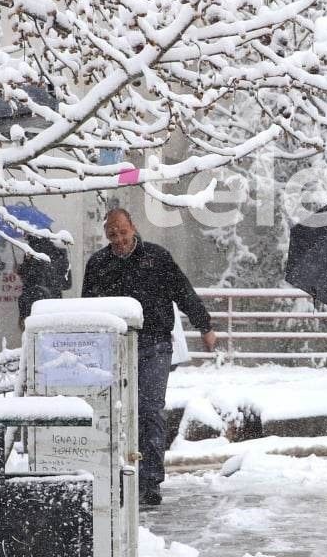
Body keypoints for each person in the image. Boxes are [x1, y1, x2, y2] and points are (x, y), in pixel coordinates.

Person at [78, 208, 216, 506]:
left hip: (154, 344)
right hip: (114, 347)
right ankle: (117, 474)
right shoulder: (98, 264)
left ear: (133, 228)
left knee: (150, 408)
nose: (118, 239)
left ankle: (150, 480)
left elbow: (183, 291)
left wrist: (204, 325)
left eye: (123, 232)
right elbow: (86, 309)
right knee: (116, 411)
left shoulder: (157, 258)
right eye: (112, 234)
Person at [15, 235, 71, 326]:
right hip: (54, 307)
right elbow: (67, 284)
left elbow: (29, 281)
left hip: (32, 307)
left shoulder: (31, 254)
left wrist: (21, 270)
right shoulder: (60, 254)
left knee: (33, 337)